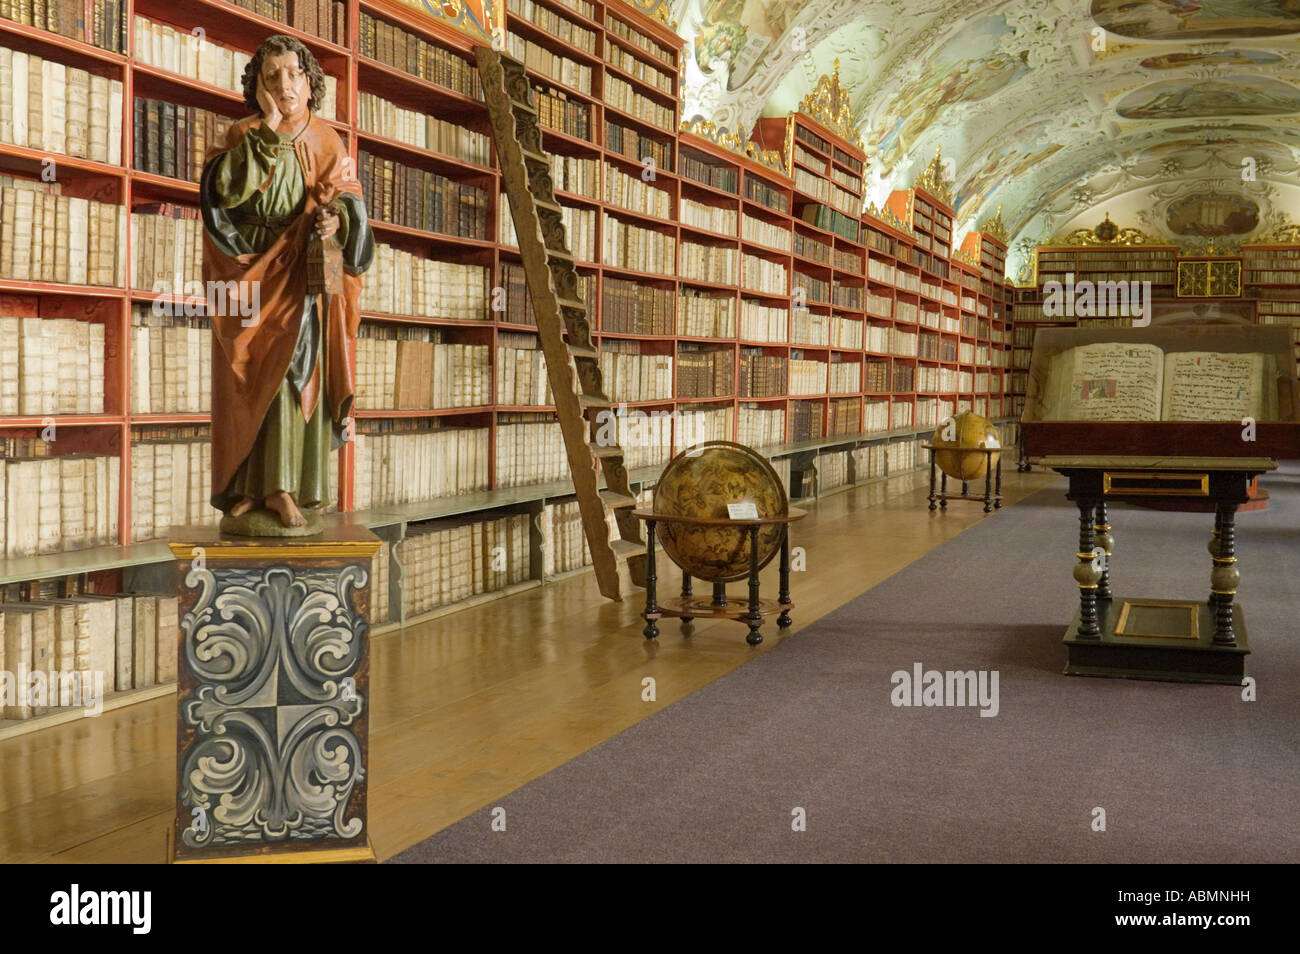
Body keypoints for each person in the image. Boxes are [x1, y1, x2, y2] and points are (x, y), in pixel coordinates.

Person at [201, 34, 373, 531]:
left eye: (292, 74)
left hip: (301, 277)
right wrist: (271, 127)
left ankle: (285, 487)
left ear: (309, 81)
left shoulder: (327, 139)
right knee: (245, 377)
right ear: (257, 86)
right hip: (247, 271)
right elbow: (224, 192)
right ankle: (244, 486)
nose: (283, 84)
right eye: (271, 76)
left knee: (291, 374)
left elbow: (349, 197)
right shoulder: (242, 134)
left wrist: (336, 217)